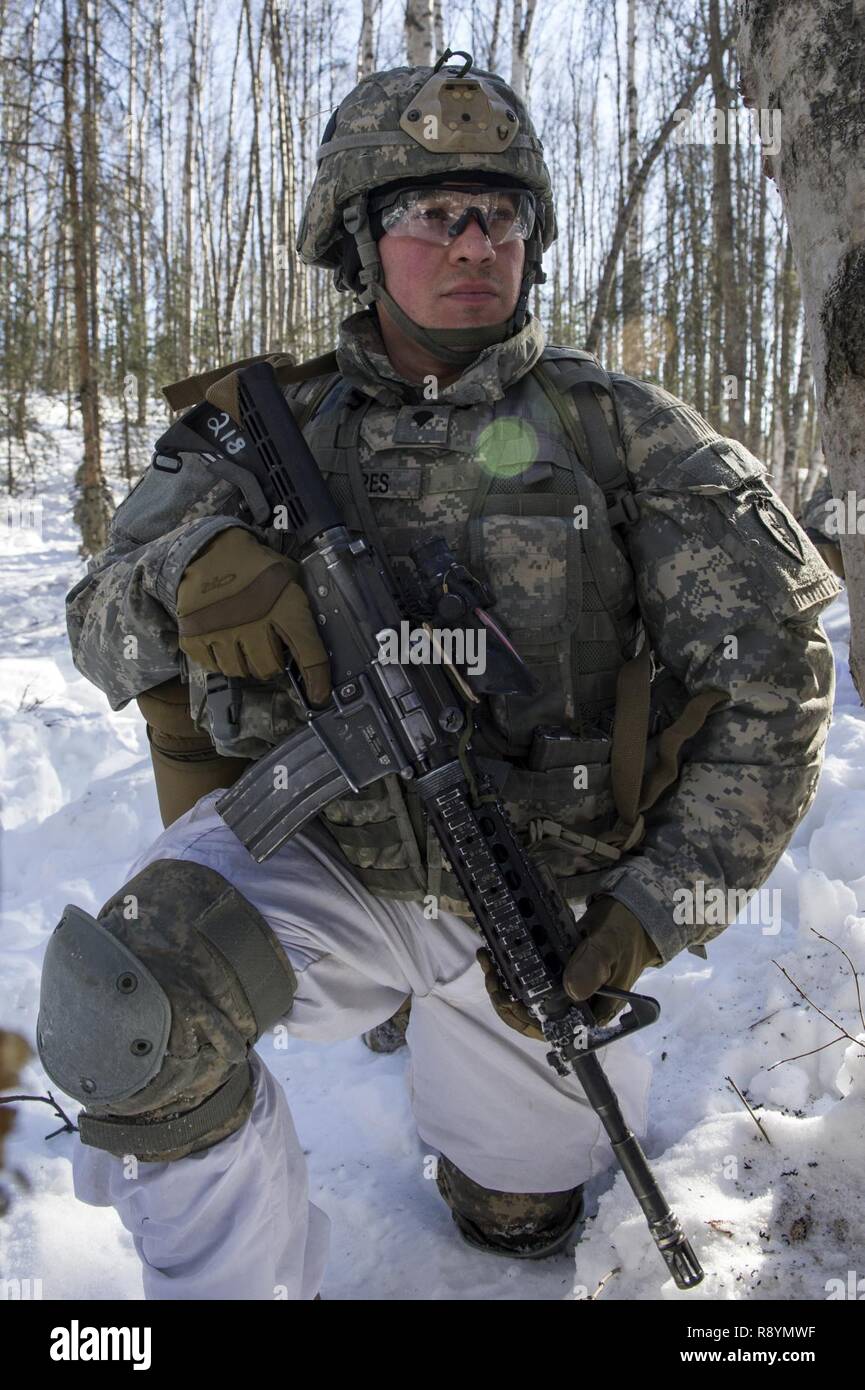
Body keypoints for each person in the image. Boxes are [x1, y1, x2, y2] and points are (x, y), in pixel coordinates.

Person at [38, 53, 840, 1300]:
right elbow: (91, 618)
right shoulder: (260, 437)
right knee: (130, 1008)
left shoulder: (624, 436)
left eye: (499, 214)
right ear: (358, 241)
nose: (474, 243)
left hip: (549, 904)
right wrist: (184, 574)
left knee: (516, 1218)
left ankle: (479, 1113)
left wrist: (649, 912)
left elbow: (776, 692)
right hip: (325, 860)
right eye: (431, 214)